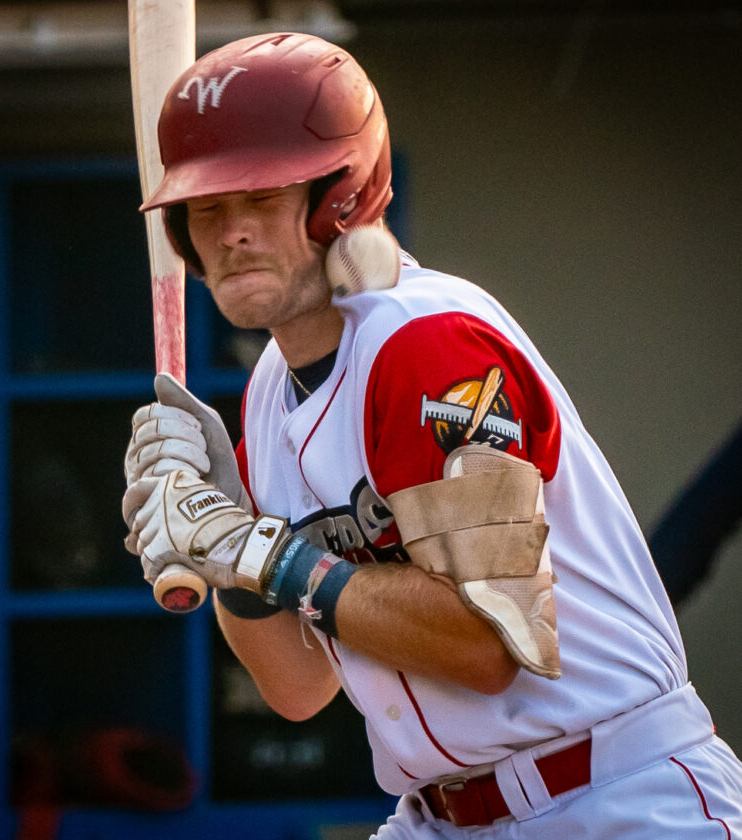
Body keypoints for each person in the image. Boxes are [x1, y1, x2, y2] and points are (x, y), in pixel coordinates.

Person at [121, 32, 742, 838]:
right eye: (207, 207)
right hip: (439, 814)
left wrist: (264, 551)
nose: (230, 231)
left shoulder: (426, 341)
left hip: (612, 795)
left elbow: (490, 644)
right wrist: (227, 553)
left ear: (338, 198)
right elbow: (299, 689)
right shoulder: (271, 391)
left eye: (261, 199)